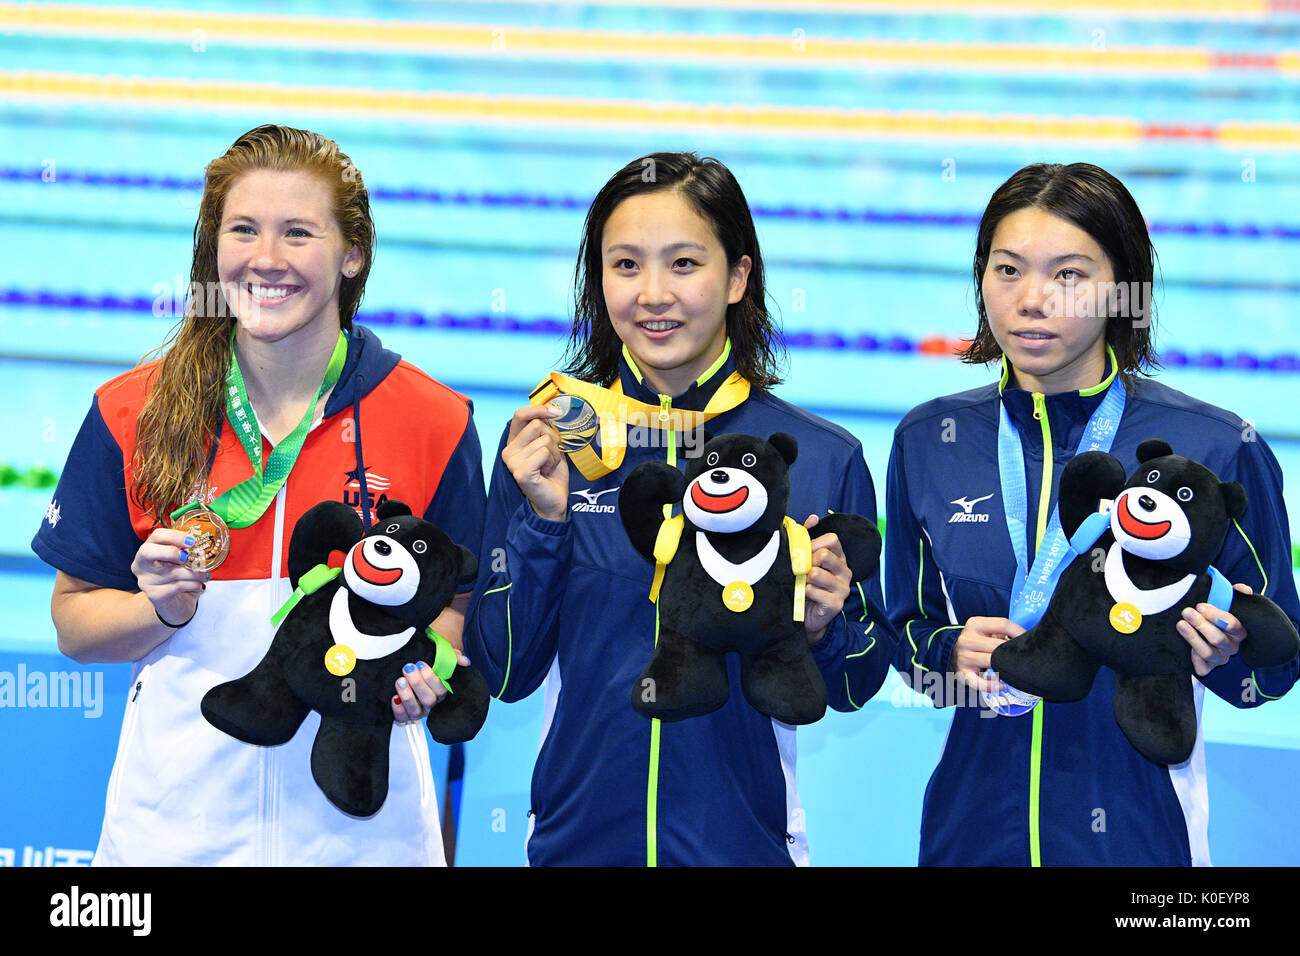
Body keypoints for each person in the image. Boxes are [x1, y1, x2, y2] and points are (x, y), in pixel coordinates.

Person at [31, 125, 485, 865]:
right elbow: (73, 624)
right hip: (174, 837)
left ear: (352, 254)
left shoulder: (433, 420)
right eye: (244, 229)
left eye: (298, 232)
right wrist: (160, 608)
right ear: (215, 247)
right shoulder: (133, 412)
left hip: (366, 839)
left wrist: (426, 667)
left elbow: (461, 611)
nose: (266, 258)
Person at [464, 152, 896, 866]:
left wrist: (825, 627)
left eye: (684, 264)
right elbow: (504, 672)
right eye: (626, 265)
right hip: (579, 845)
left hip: (744, 845)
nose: (653, 294)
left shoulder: (819, 457)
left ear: (738, 277)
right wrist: (543, 522)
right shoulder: (550, 440)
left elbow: (854, 685)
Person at [886, 162, 1300, 866]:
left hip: (1140, 842)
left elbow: (1276, 671)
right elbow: (904, 633)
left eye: (1069, 276)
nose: (1031, 301)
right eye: (1008, 269)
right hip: (971, 833)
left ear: (1124, 290)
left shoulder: (1216, 449)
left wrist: (1225, 657)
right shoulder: (929, 440)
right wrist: (945, 655)